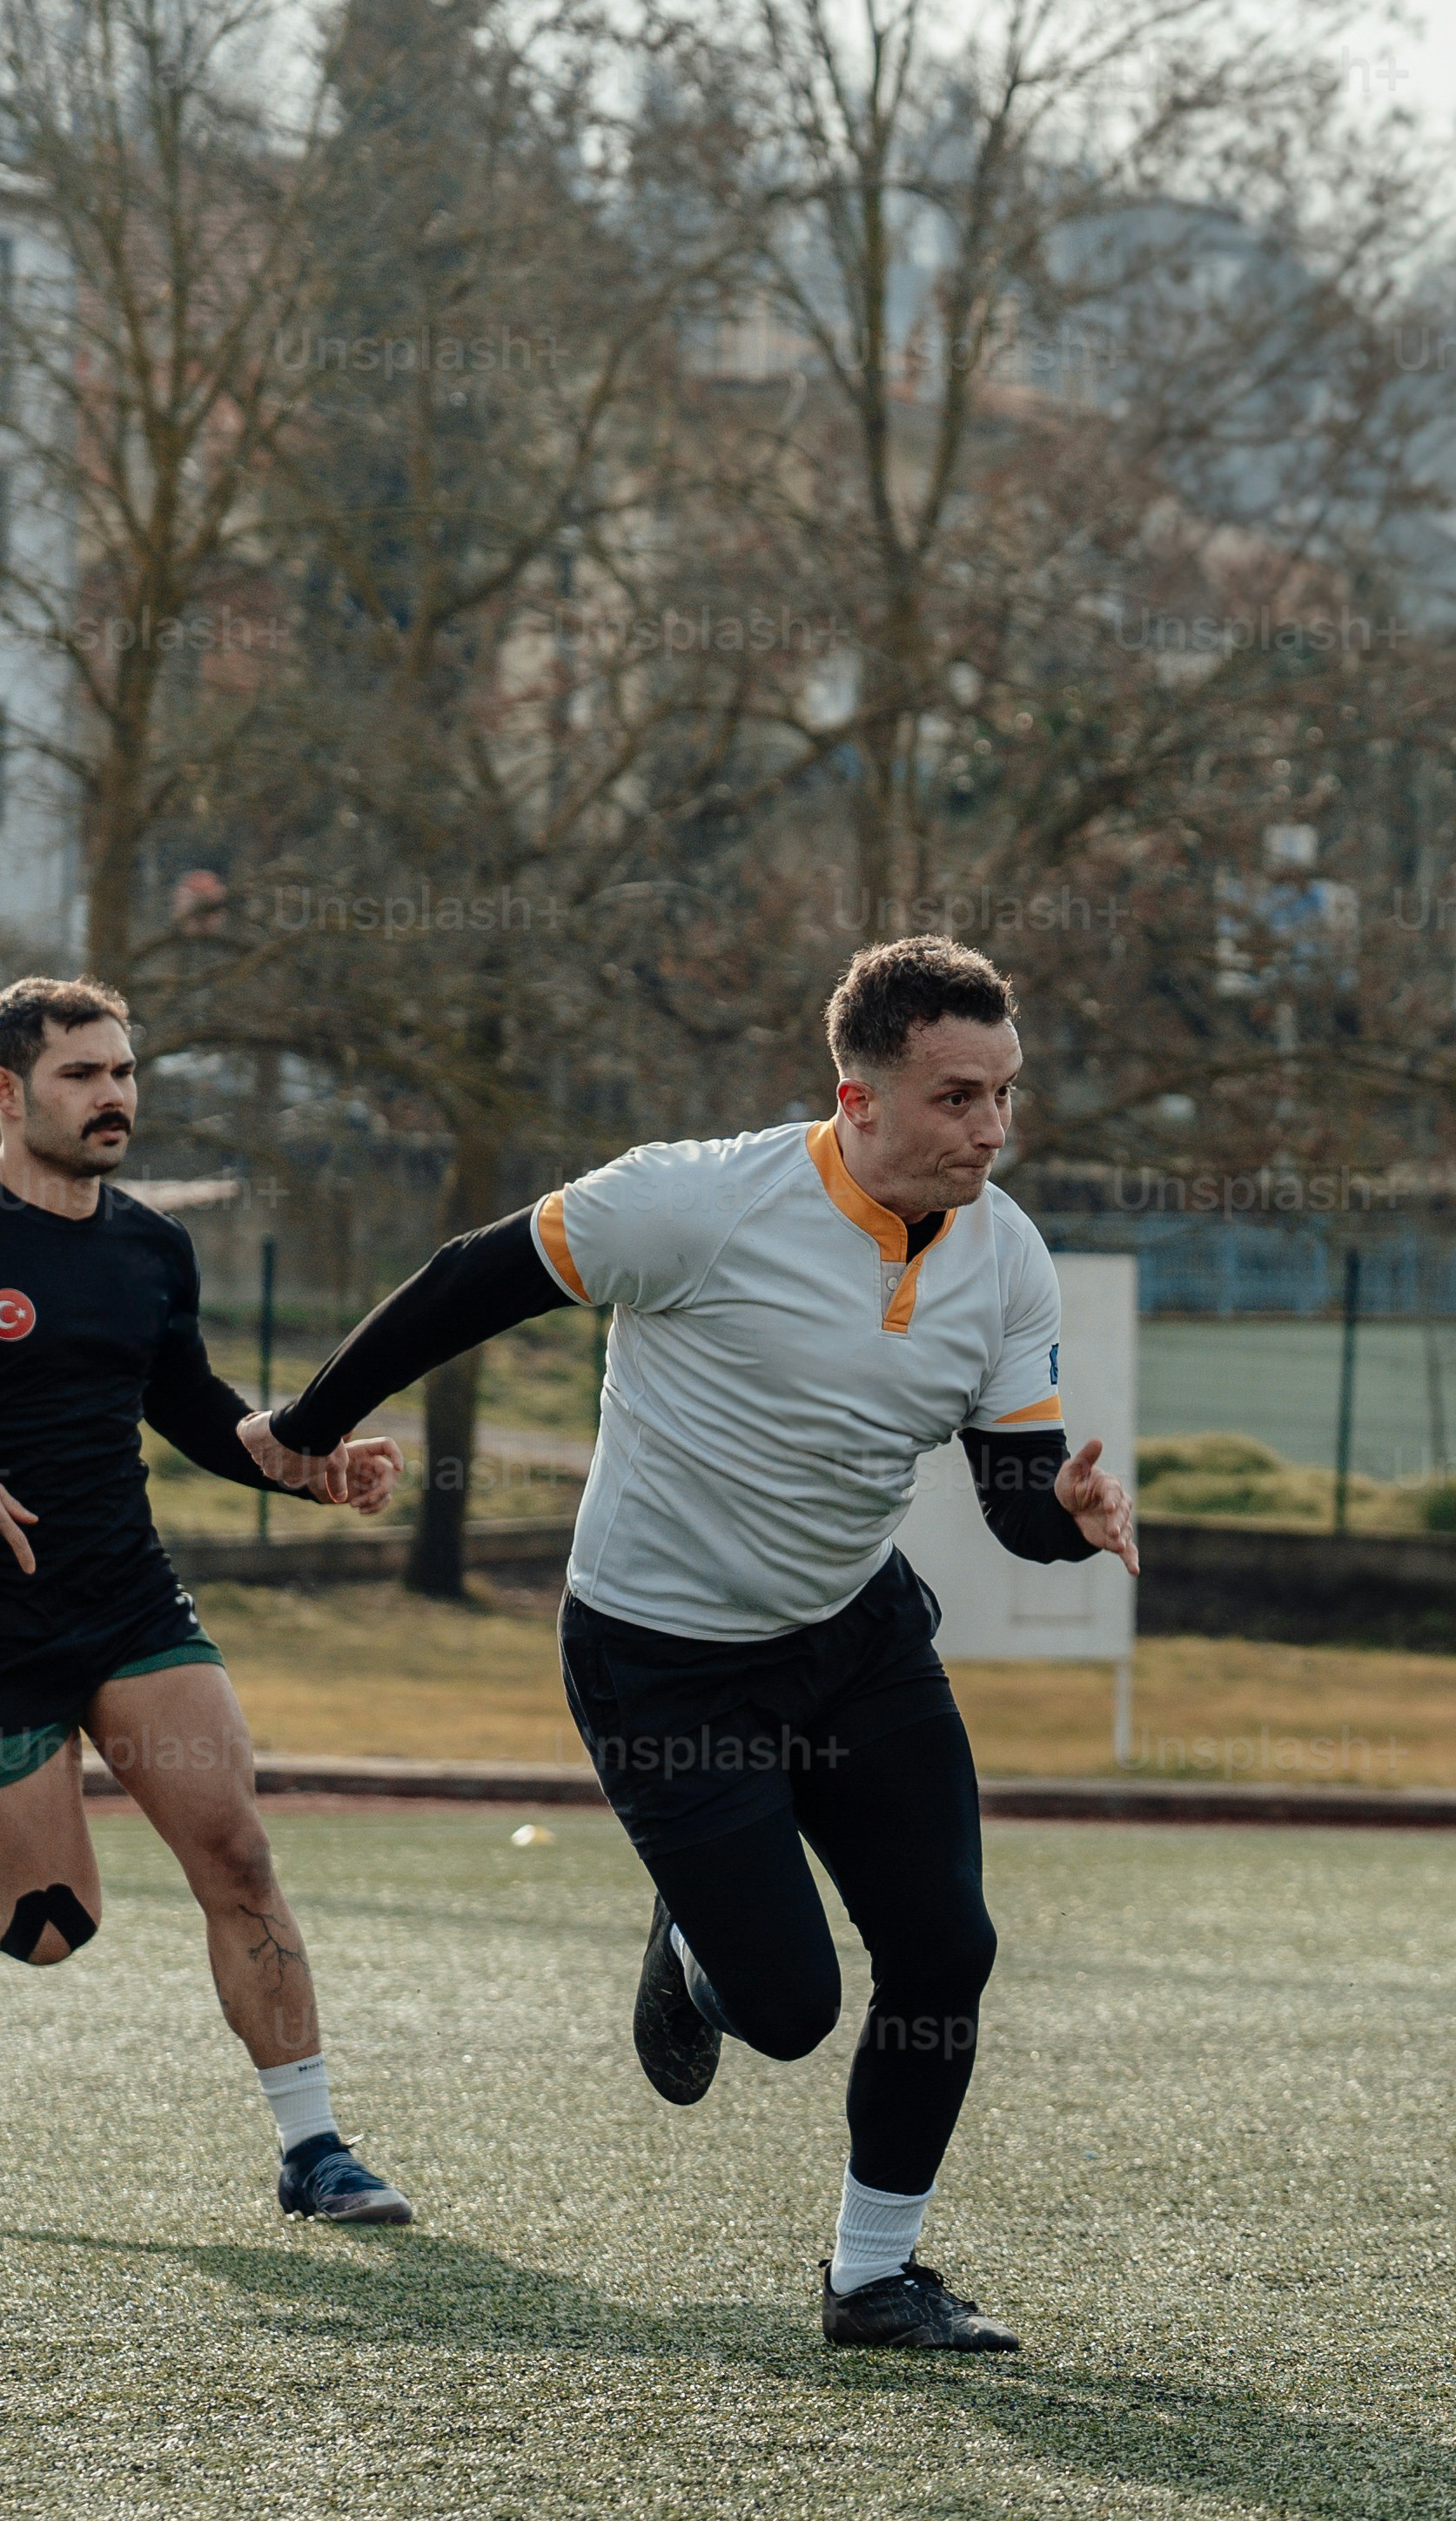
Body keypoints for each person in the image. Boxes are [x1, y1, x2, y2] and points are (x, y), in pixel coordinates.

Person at [249, 938, 1135, 2354]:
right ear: (857, 1097)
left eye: (1004, 1095)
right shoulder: (692, 1202)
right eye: (958, 1097)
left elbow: (1017, 1500)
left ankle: (873, 2277)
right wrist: (299, 1430)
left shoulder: (1005, 1256)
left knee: (946, 1950)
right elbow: (466, 1281)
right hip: (660, 1660)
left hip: (853, 1638)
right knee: (788, 2011)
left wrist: (1070, 1519)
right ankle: (703, 1931)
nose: (990, 1129)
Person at [0, 977, 419, 2226]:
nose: (113, 1094)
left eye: (123, 1071)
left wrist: (300, 1456)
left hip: (128, 1600)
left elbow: (187, 1402)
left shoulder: (149, 1246)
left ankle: (314, 2146)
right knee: (49, 1925)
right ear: (6, 1091)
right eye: (82, 1073)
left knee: (234, 1847)